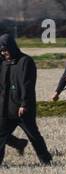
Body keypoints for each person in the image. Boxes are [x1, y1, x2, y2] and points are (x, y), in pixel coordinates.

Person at [0, 32, 53, 166]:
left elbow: (27, 85)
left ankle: (46, 160)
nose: (4, 53)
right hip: (6, 109)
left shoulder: (26, 62)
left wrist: (24, 104)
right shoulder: (3, 63)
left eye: (5, 50)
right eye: (1, 51)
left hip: (22, 108)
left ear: (12, 47)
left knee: (33, 135)